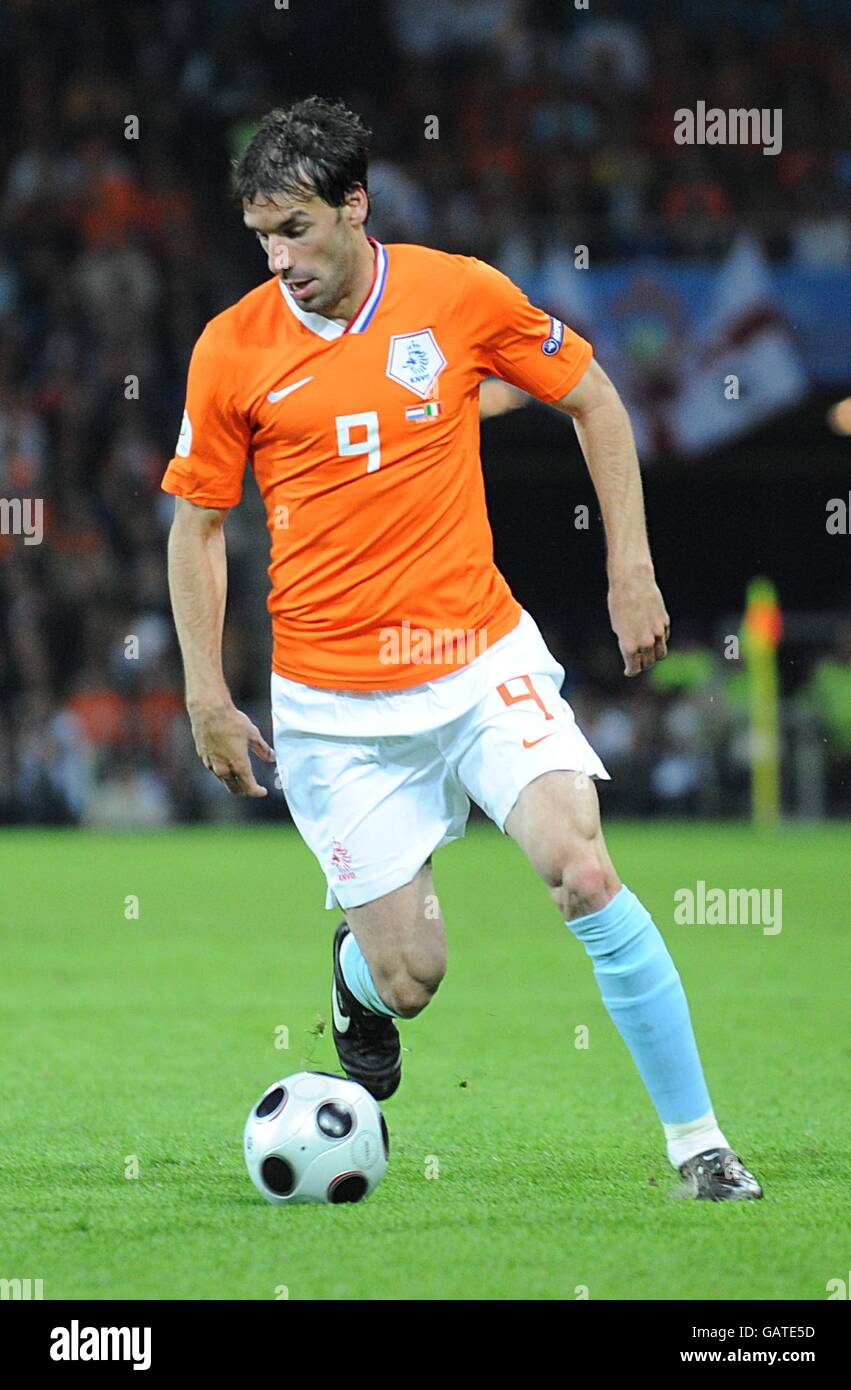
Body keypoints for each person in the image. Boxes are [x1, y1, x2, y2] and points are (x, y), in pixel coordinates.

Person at [163, 97, 761, 1201]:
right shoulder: (231, 350)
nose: (277, 257)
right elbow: (197, 523)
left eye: (295, 229)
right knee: (413, 973)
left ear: (355, 206)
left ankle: (700, 1147)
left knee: (581, 870)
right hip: (334, 709)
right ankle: (356, 979)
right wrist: (205, 690)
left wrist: (628, 564)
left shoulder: (457, 293)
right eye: (260, 236)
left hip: (479, 659)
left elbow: (591, 395)